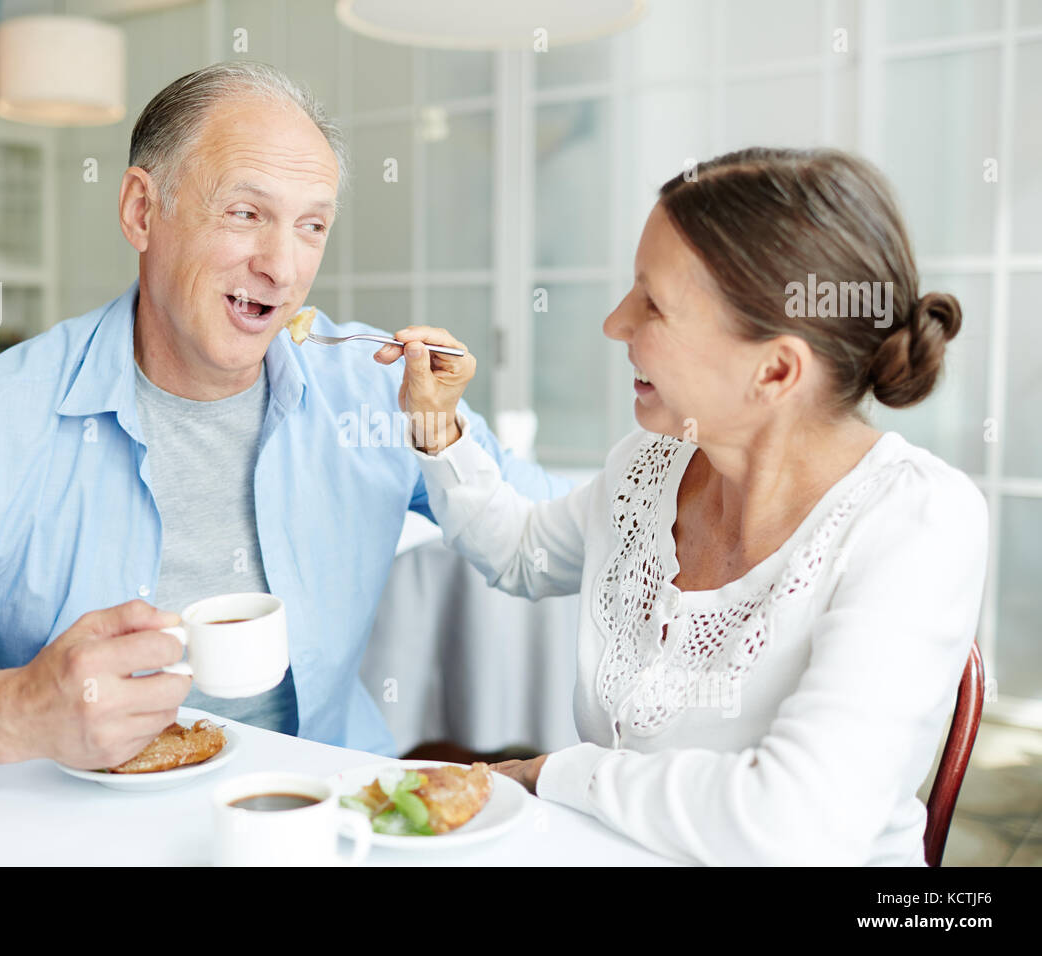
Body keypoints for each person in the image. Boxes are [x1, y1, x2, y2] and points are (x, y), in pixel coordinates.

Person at [0, 61, 567, 790]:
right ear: (142, 210)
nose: (283, 266)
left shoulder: (378, 394)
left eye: (312, 224)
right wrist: (18, 709)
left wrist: (693, 447)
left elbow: (557, 542)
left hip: (332, 825)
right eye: (246, 212)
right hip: (81, 836)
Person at [403, 147, 988, 865]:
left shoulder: (919, 523)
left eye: (652, 302)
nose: (615, 322)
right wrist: (437, 424)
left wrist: (547, 773)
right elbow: (521, 554)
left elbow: (797, 823)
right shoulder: (650, 466)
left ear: (775, 370)